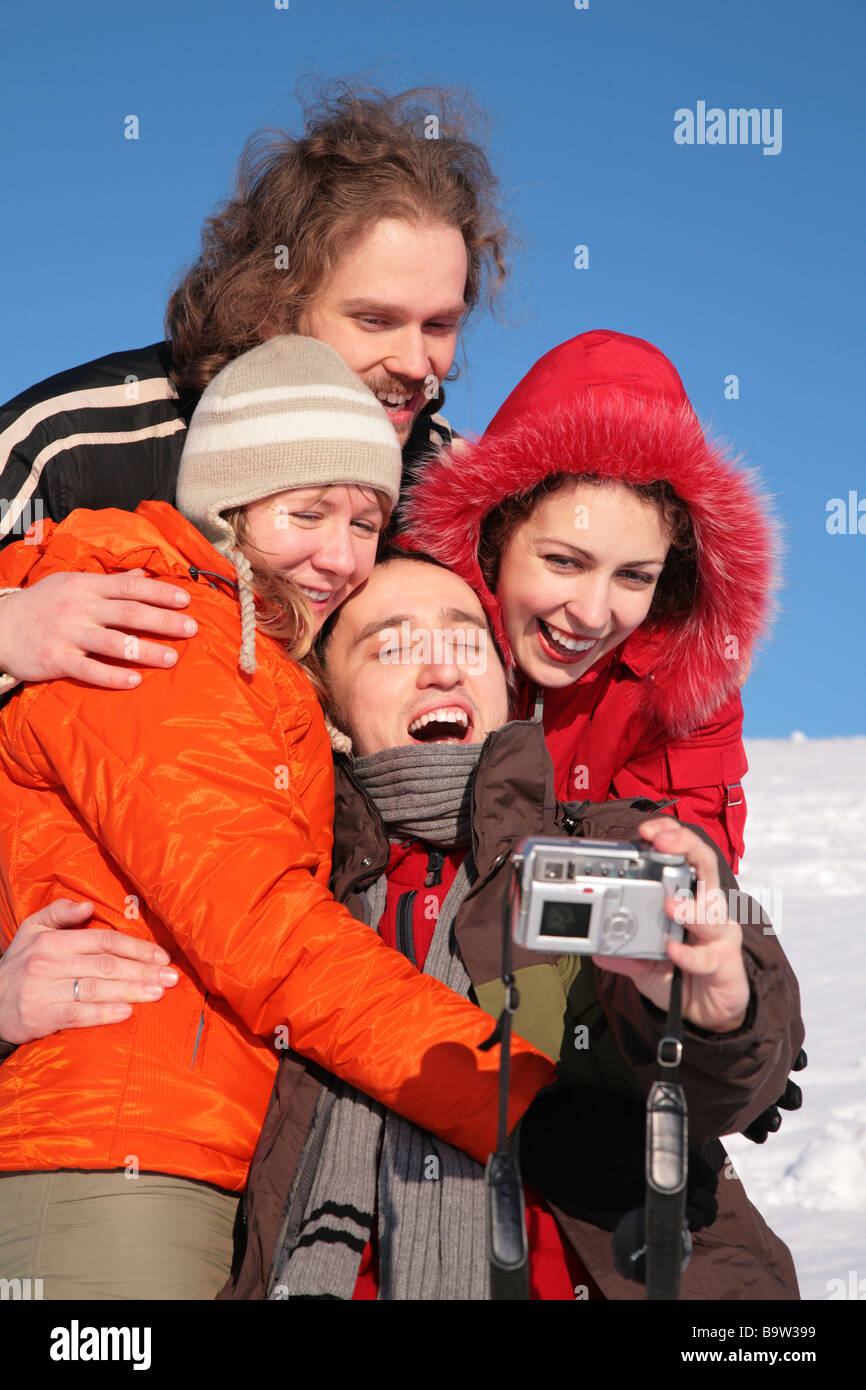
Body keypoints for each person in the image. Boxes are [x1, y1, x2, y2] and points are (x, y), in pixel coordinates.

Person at [0, 337, 554, 1300]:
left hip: (192, 1160)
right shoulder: (157, 626)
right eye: (306, 513)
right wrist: (513, 1094)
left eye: (367, 521)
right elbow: (265, 929)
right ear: (229, 507)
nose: (340, 558)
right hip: (116, 1163)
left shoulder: (253, 659)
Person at [222, 551, 803, 1300]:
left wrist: (718, 1012)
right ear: (327, 704)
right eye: (392, 647)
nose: (442, 670)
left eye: (468, 641)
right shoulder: (280, 889)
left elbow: (730, 1080)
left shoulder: (609, 844)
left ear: (505, 683)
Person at [0, 79, 503, 692]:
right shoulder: (76, 444)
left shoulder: (447, 483)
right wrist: (9, 626)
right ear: (271, 305)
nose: (416, 362)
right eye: (375, 320)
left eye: (440, 325)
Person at [404, 329, 777, 871]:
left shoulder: (684, 686)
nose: (593, 613)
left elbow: (685, 884)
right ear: (495, 533)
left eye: (634, 576)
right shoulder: (415, 637)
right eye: (563, 562)